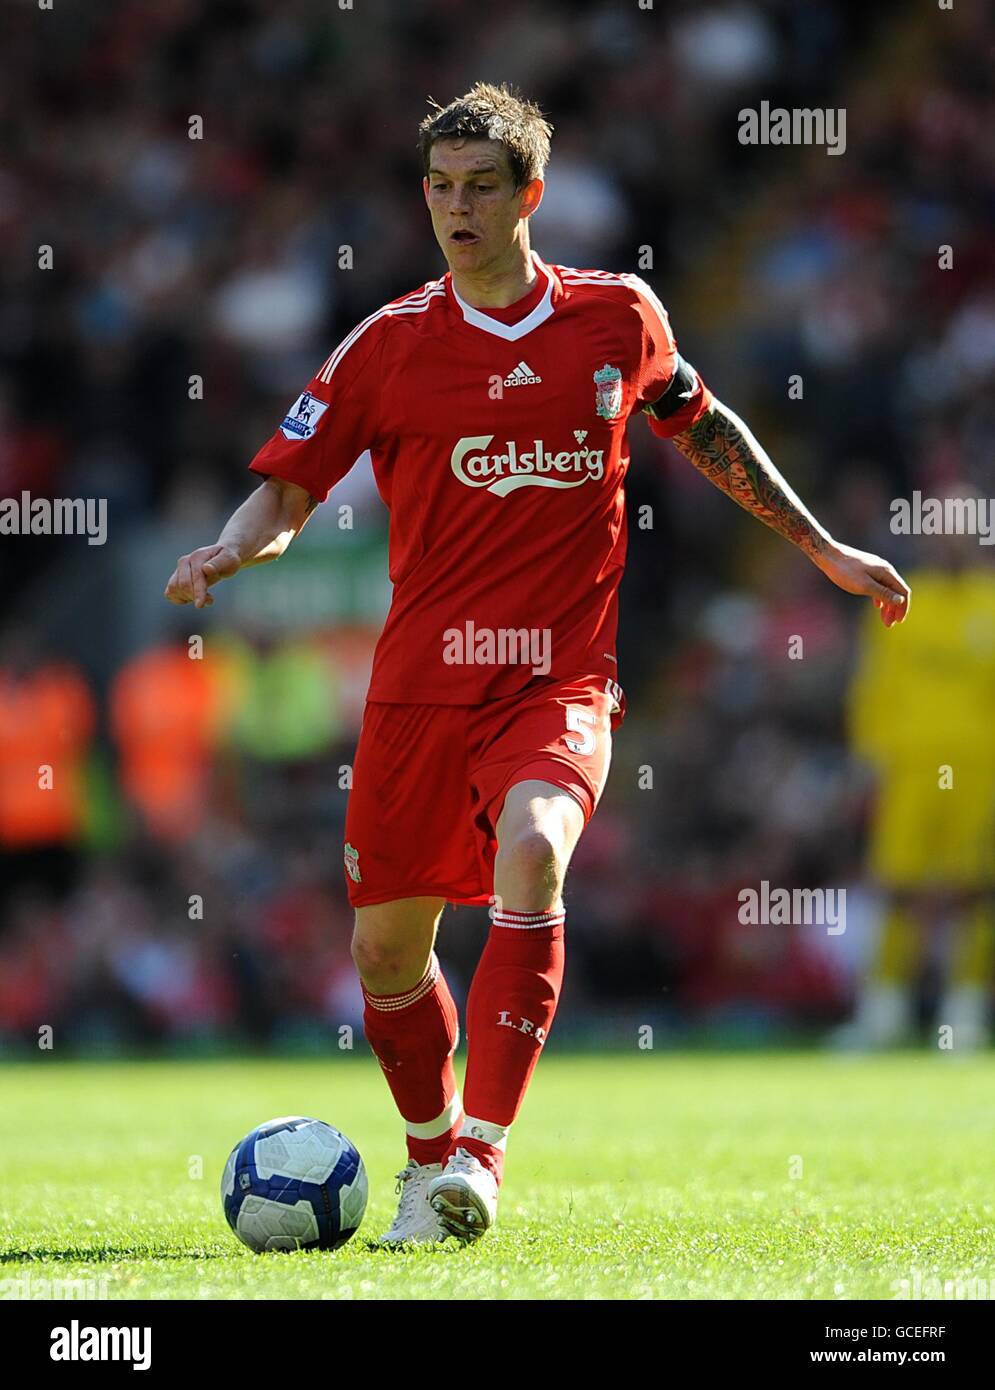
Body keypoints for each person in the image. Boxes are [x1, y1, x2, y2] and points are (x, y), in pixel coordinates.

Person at [165, 83, 910, 1245]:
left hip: (556, 676)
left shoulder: (616, 319)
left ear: (530, 196)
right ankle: (425, 1155)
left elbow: (699, 422)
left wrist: (818, 545)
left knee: (533, 851)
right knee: (383, 953)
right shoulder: (389, 343)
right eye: (440, 189)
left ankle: (481, 1154)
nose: (456, 210)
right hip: (419, 687)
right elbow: (289, 487)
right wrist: (233, 545)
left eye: (480, 188)